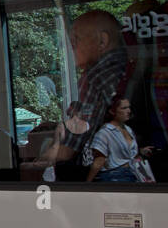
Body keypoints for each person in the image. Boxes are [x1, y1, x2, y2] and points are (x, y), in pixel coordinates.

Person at [45, 10, 131, 180]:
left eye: (75, 40)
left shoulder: (95, 76)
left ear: (102, 41)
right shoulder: (125, 65)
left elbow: (70, 148)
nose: (70, 47)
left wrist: (36, 158)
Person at [87, 97, 154, 183]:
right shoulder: (104, 132)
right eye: (124, 108)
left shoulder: (128, 129)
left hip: (134, 173)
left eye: (129, 107)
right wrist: (87, 184)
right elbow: (99, 161)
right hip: (115, 176)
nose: (129, 111)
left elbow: (126, 153)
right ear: (112, 111)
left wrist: (141, 151)